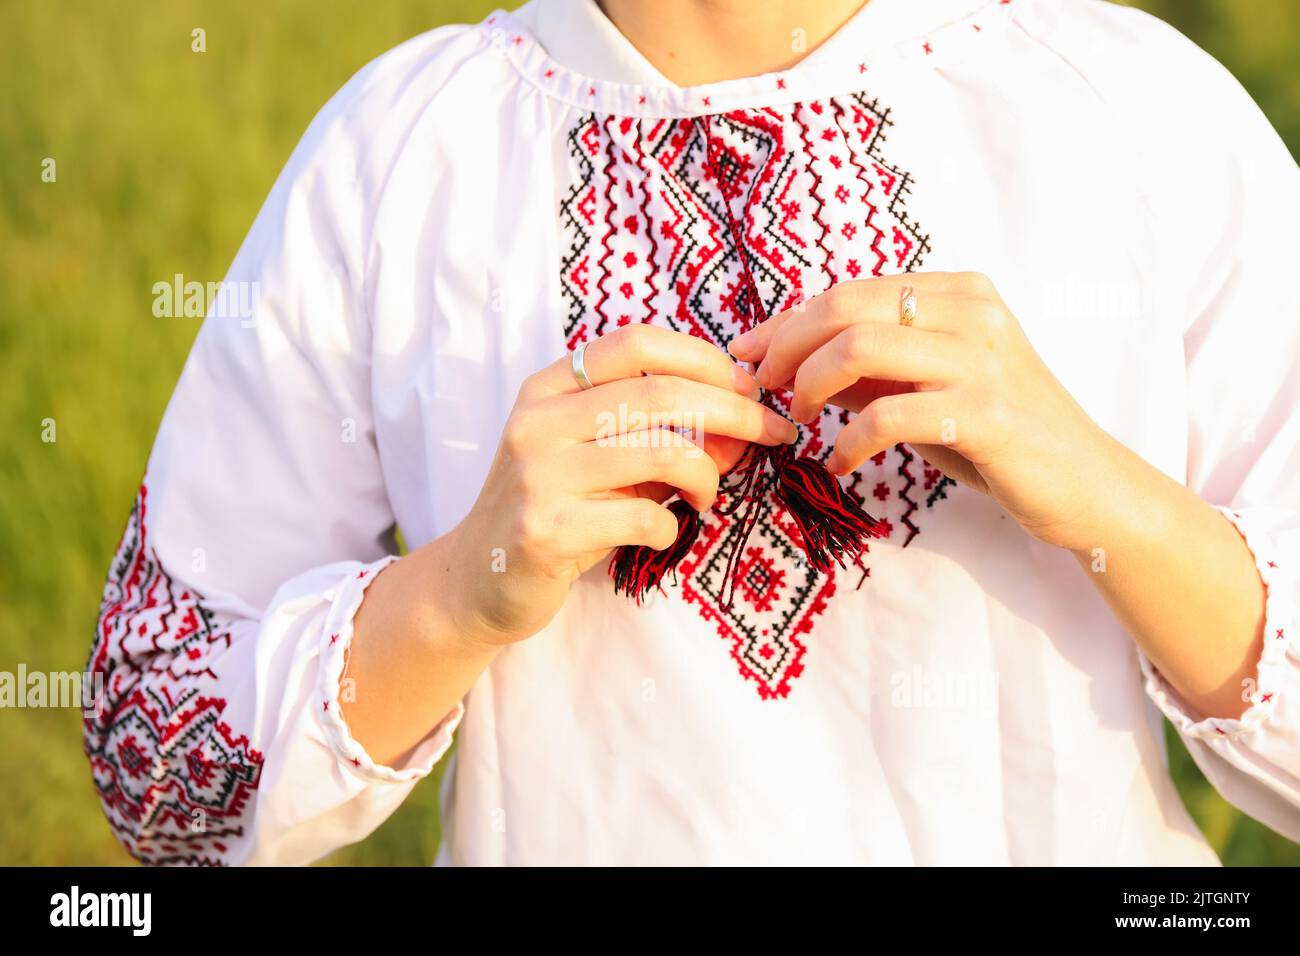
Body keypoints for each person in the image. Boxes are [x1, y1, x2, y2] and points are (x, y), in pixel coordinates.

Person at [85, 0, 1300, 865]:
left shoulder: (1131, 112)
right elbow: (160, 766)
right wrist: (459, 592)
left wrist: (1102, 495)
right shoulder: (404, 154)